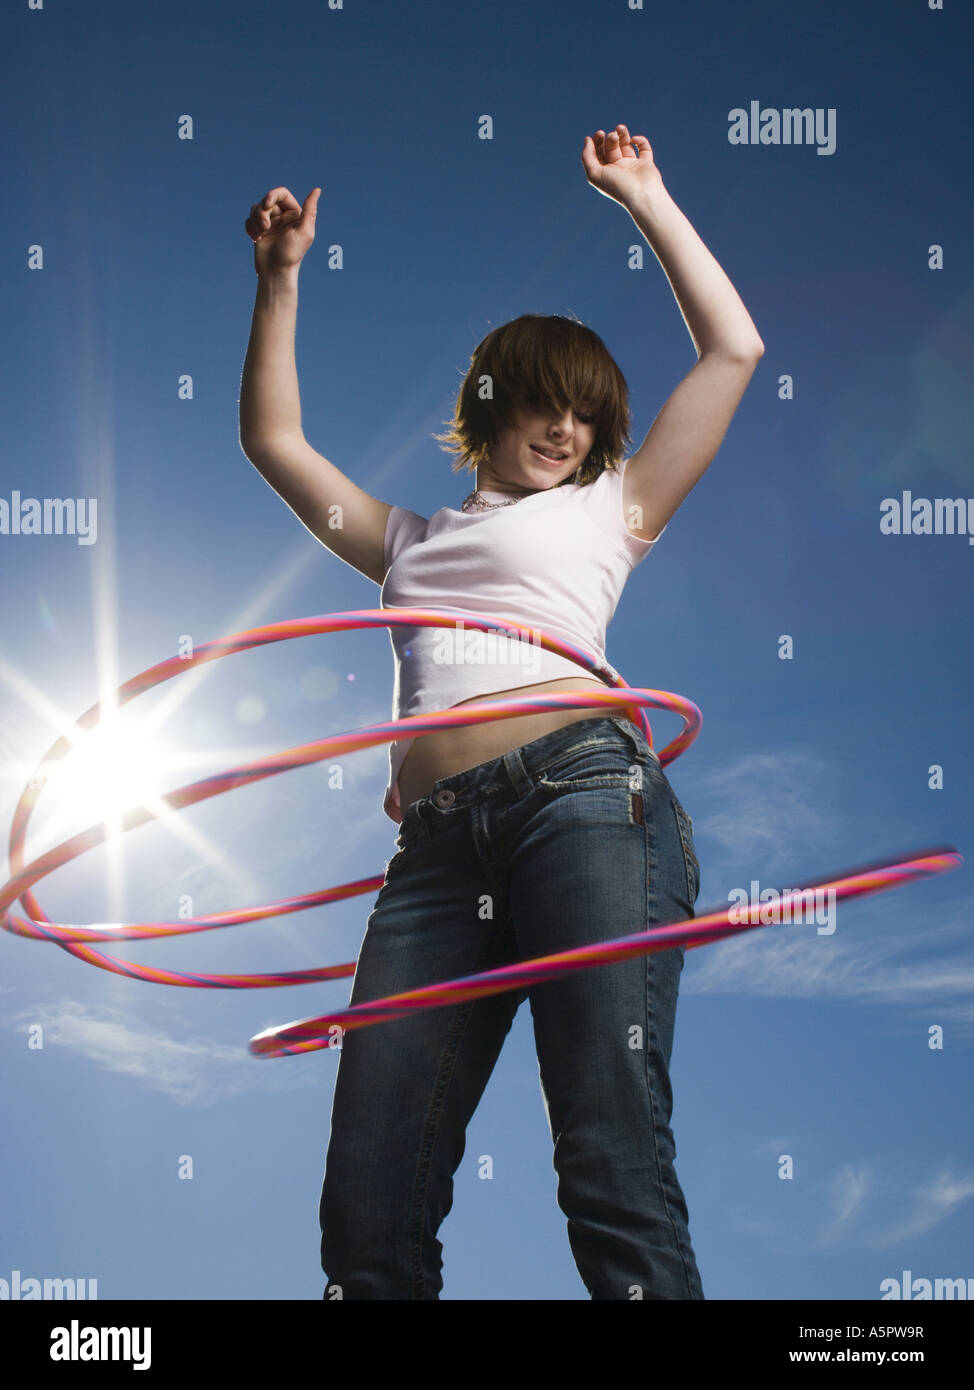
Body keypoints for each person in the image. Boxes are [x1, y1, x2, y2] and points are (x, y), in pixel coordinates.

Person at [240, 124, 764, 1300]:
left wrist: (643, 196)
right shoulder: (404, 546)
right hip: (430, 859)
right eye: (542, 402)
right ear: (489, 406)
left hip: (584, 798)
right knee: (368, 1206)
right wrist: (278, 283)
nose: (565, 429)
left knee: (607, 1154)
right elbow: (272, 442)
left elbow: (732, 351)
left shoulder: (610, 513)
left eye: (584, 416)